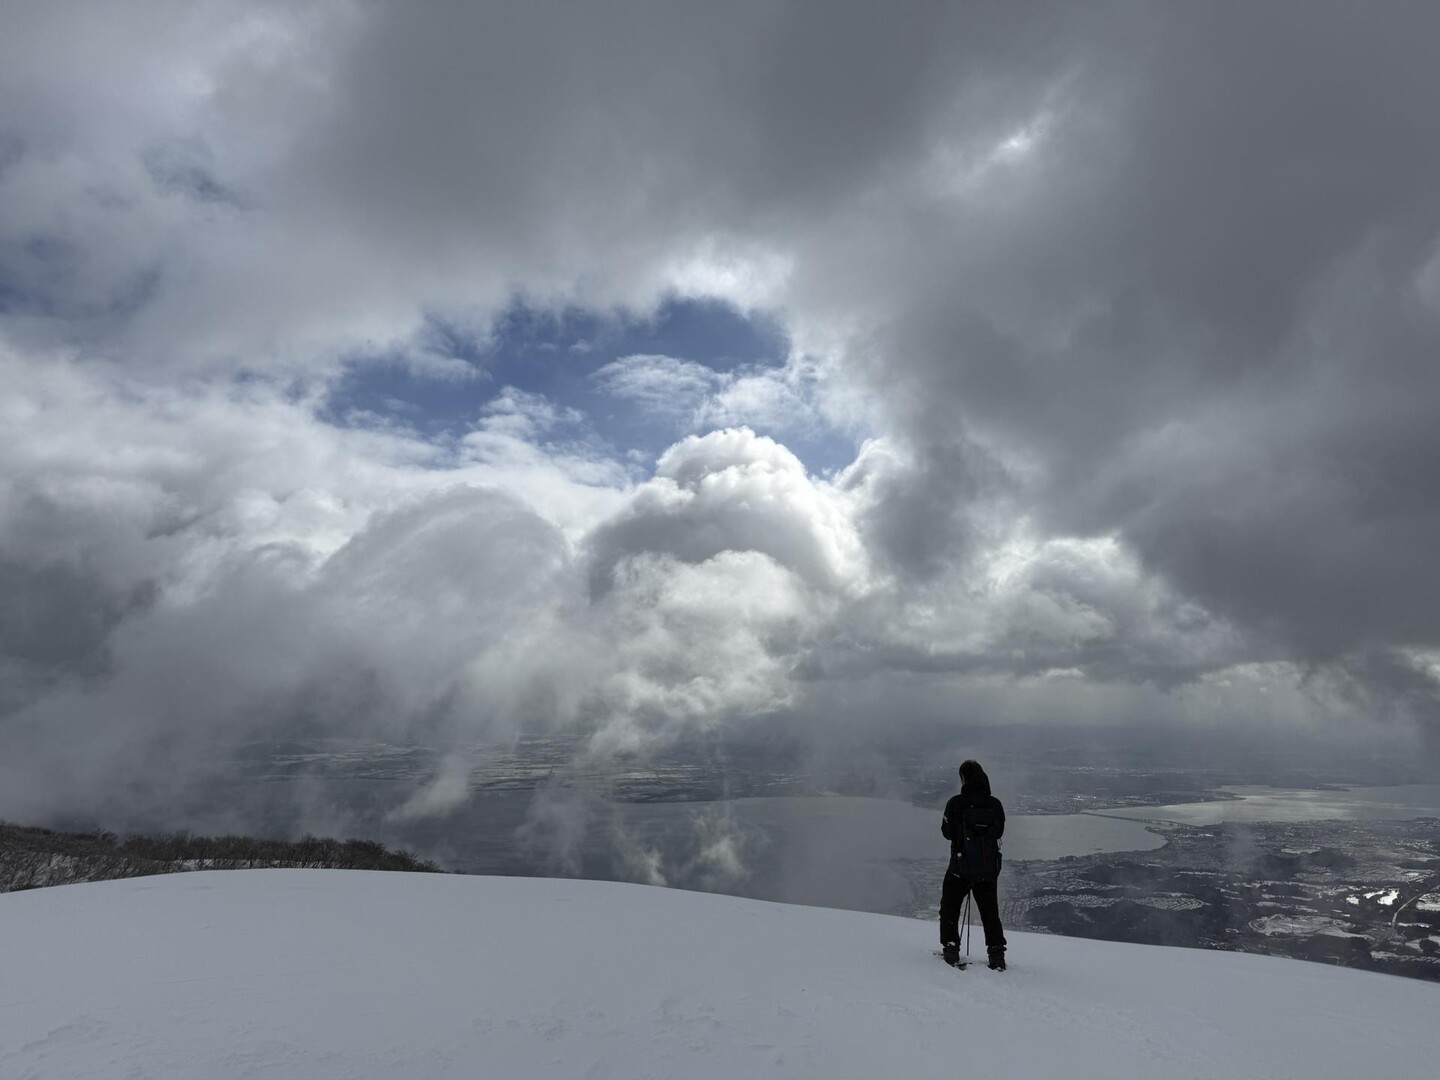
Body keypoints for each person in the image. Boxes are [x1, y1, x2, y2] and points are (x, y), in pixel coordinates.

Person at [939, 759, 1007, 969]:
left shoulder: (956, 803)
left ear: (964, 779)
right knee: (990, 913)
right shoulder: (994, 804)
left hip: (959, 868)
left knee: (950, 909)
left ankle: (951, 949)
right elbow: (999, 832)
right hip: (987, 870)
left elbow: (946, 832)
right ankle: (996, 955)